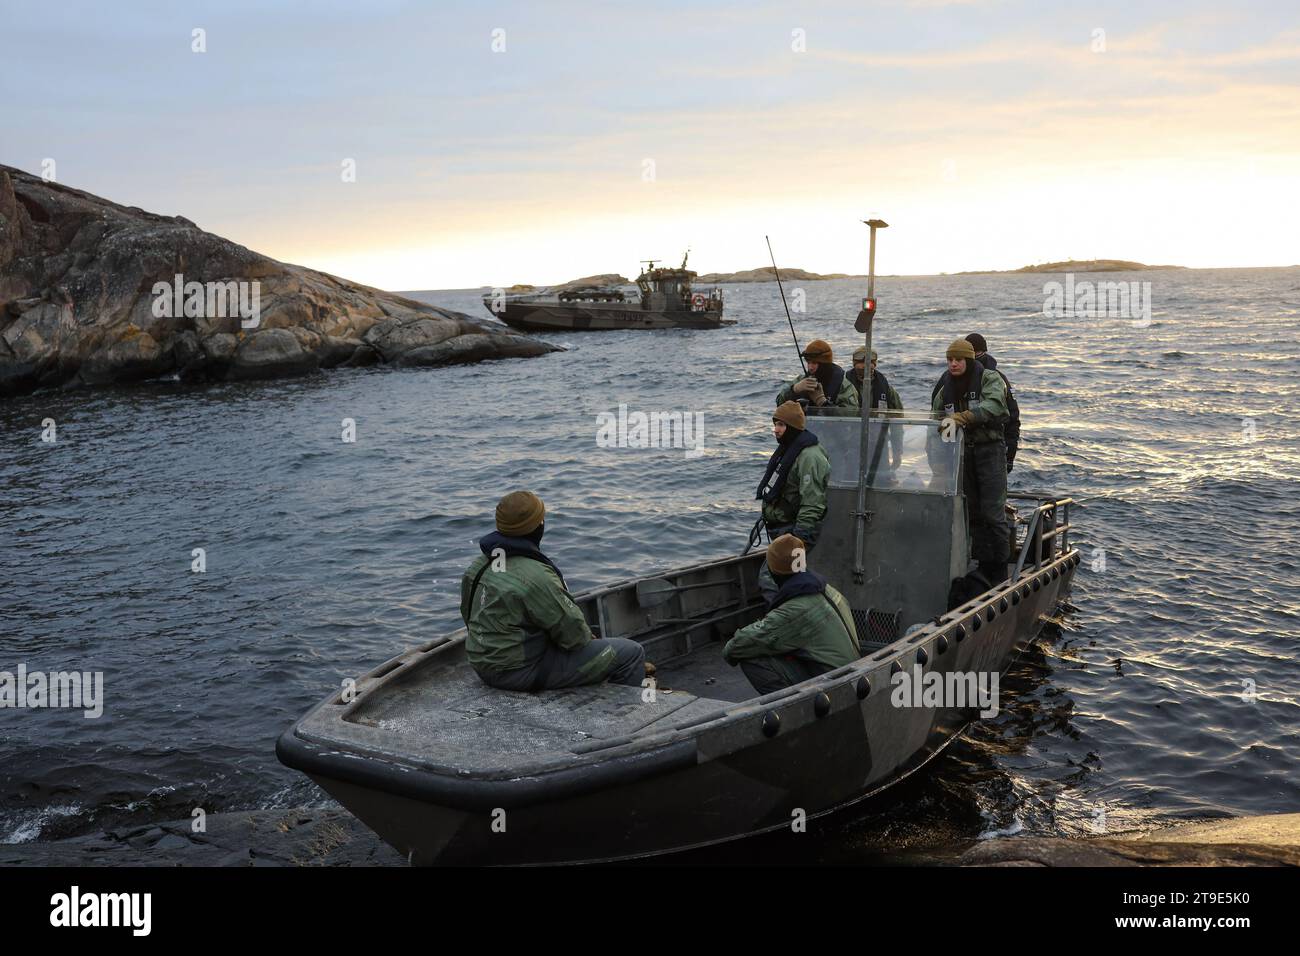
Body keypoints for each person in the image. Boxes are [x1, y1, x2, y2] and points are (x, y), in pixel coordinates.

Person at [460, 491, 645, 691]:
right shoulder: (537, 577)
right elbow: (575, 638)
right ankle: (620, 713)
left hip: (481, 665)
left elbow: (468, 614)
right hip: (520, 673)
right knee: (631, 653)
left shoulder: (478, 566)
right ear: (538, 526)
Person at [724, 534, 860, 695]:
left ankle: (797, 711)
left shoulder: (796, 610)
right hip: (853, 675)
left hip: (835, 688)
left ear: (773, 569)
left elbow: (734, 648)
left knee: (751, 657)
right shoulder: (827, 590)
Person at [929, 338, 1010, 583]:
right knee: (971, 511)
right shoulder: (945, 389)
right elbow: (936, 420)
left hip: (990, 451)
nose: (953, 364)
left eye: (958, 360)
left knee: (993, 513)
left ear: (969, 360)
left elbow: (995, 405)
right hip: (962, 453)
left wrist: (964, 417)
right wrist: (938, 461)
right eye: (949, 360)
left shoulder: (989, 379)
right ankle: (980, 564)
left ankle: (999, 570)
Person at [754, 401, 830, 600]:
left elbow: (813, 502)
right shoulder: (789, 449)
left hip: (796, 532)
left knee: (771, 579)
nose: (776, 430)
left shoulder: (810, 457)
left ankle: (785, 621)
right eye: (775, 424)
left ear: (793, 427)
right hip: (783, 530)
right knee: (785, 580)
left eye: (781, 425)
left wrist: (799, 539)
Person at [965, 333, 1021, 473]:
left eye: (977, 353)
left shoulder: (999, 380)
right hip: (963, 448)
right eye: (970, 354)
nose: (975, 358)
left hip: (992, 447)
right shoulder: (954, 379)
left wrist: (1009, 455)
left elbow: (1013, 417)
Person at [776, 339, 859, 410]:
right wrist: (794, 390)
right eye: (808, 363)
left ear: (824, 364)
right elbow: (779, 404)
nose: (810, 367)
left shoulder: (843, 385)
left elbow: (851, 415)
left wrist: (822, 402)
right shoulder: (801, 381)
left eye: (814, 363)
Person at [847, 347, 904, 412]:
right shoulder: (844, 386)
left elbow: (899, 414)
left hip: (877, 421)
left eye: (870, 362)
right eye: (861, 362)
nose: (865, 366)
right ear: (854, 364)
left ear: (874, 364)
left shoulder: (886, 388)